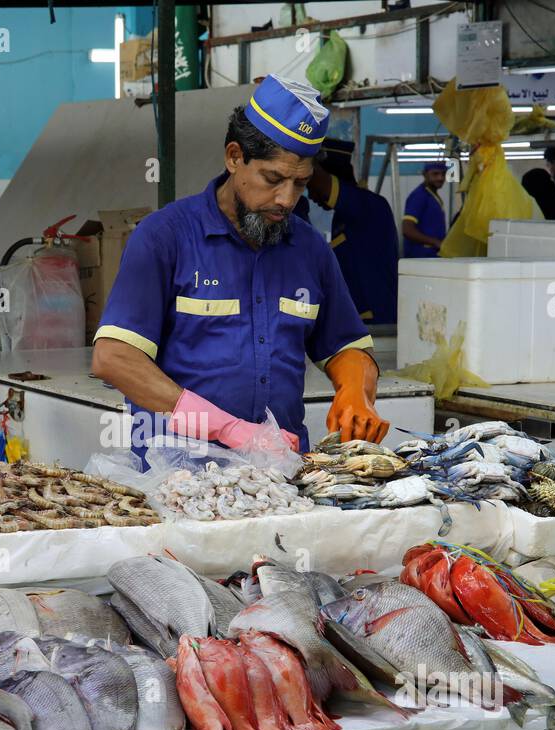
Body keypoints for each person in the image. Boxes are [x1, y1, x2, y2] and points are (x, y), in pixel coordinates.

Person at [91, 74, 387, 455]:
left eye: (300, 183)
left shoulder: (310, 249)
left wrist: (355, 389)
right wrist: (225, 427)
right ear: (234, 157)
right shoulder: (164, 238)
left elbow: (348, 346)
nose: (286, 199)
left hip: (281, 471)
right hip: (178, 472)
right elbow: (113, 358)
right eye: (273, 178)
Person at [306, 138, 399, 325]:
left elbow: (320, 181)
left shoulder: (368, 206)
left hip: (376, 319)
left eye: (311, 187)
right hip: (355, 317)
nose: (311, 195)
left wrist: (299, 150)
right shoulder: (342, 216)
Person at [402, 162, 448, 257]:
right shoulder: (419, 196)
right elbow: (407, 230)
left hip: (432, 256)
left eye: (443, 174)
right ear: (425, 174)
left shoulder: (432, 195)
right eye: (435, 174)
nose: (440, 178)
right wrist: (436, 242)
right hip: (420, 257)